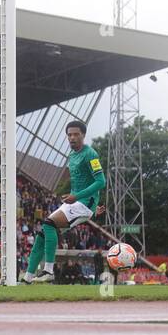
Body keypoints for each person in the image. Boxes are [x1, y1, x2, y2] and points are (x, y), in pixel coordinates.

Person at [23, 120, 105, 283]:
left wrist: (79, 198)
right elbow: (81, 181)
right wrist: (73, 195)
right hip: (75, 202)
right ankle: (28, 278)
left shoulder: (91, 154)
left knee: (48, 224)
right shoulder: (72, 155)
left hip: (84, 203)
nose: (72, 137)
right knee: (41, 235)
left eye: (76, 134)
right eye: (69, 135)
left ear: (83, 135)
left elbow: (101, 181)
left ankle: (48, 270)